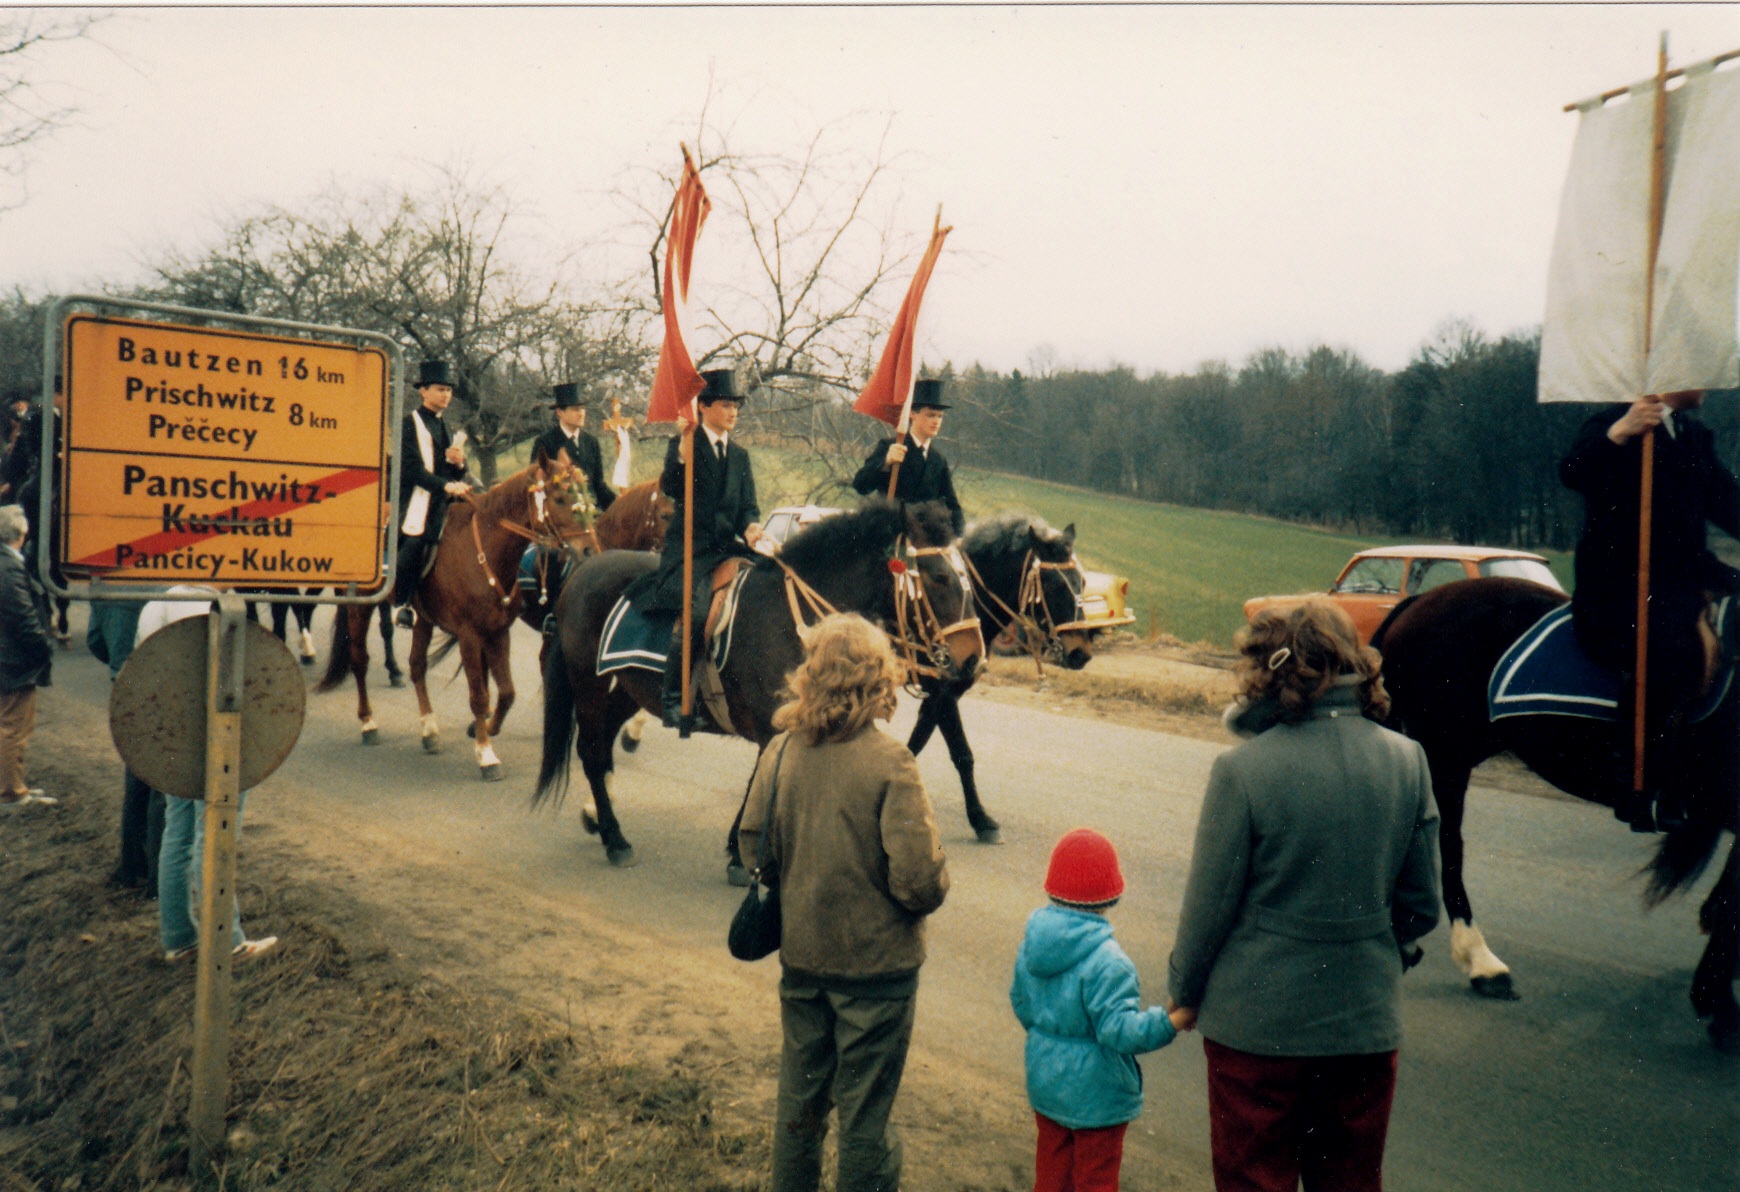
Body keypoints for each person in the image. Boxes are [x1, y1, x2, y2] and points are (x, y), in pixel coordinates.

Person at [1168, 600, 1440, 1192]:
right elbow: (1422, 905)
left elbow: (1207, 911)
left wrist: (1184, 992)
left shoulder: (1241, 769)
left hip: (1256, 1031)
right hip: (1364, 1023)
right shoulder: (1408, 760)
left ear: (1270, 669)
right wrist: (1375, 954)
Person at [737, 613, 949, 1192]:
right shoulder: (892, 762)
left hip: (803, 963)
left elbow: (753, 845)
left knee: (798, 1111)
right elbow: (920, 882)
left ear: (810, 674)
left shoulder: (780, 751)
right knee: (865, 1120)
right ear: (879, 680)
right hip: (877, 976)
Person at [1559, 390, 1740, 831]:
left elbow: (1728, 502)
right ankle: (1638, 785)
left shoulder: (1693, 435)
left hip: (1684, 576)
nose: (1703, 385)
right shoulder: (1613, 421)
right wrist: (1620, 432)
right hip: (1619, 588)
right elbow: (1573, 472)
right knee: (1672, 650)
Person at [1011, 828, 1190, 1192]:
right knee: (1096, 1179)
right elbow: (1120, 1032)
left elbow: (1022, 1004)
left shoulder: (1032, 945)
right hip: (1097, 1098)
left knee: (1052, 1174)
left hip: (1046, 1082)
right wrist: (1171, 1021)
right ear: (1110, 896)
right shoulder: (1109, 962)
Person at [136, 587, 277, 964]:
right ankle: (228, 941)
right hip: (214, 730)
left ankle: (179, 937)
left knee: (179, 829)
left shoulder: (159, 601)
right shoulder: (215, 600)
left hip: (170, 727)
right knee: (214, 829)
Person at [621, 367, 763, 727]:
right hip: (690, 551)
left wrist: (751, 527)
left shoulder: (740, 456)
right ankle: (674, 698)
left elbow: (748, 507)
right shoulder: (685, 444)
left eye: (736, 406)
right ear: (703, 406)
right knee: (697, 611)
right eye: (726, 405)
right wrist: (684, 448)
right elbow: (671, 485)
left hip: (726, 549)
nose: (734, 412)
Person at [88, 598, 162, 891]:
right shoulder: (167, 590)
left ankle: (133, 866)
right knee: (163, 787)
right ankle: (158, 877)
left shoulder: (110, 584)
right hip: (164, 688)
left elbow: (95, 639)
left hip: (125, 684)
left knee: (137, 777)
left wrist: (121, 660)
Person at [393, 359, 470, 628]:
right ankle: (402, 602)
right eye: (440, 389)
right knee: (416, 542)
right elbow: (412, 469)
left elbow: (453, 471)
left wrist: (459, 463)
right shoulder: (408, 424)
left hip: (443, 499)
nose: (446, 395)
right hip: (416, 499)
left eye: (448, 390)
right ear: (423, 391)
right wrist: (446, 485)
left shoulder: (446, 427)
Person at [851, 378, 965, 536]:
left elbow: (952, 506)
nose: (936, 421)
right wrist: (885, 462)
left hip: (922, 539)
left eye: (940, 416)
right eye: (931, 415)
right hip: (889, 535)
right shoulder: (891, 446)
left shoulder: (938, 461)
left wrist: (958, 537)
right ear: (912, 414)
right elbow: (860, 485)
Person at [0, 504, 54, 809]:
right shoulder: (9, 567)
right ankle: (11, 791)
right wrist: (43, 648)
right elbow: (22, 617)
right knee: (14, 727)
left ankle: (12, 785)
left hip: (7, 658)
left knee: (9, 724)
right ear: (21, 534)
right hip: (14, 661)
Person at [533, 381, 615, 513]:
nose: (581, 413)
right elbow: (538, 484)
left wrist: (620, 504)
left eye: (582, 408)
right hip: (563, 515)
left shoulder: (591, 442)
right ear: (560, 412)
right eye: (575, 409)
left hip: (593, 512)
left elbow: (598, 485)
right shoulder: (545, 442)